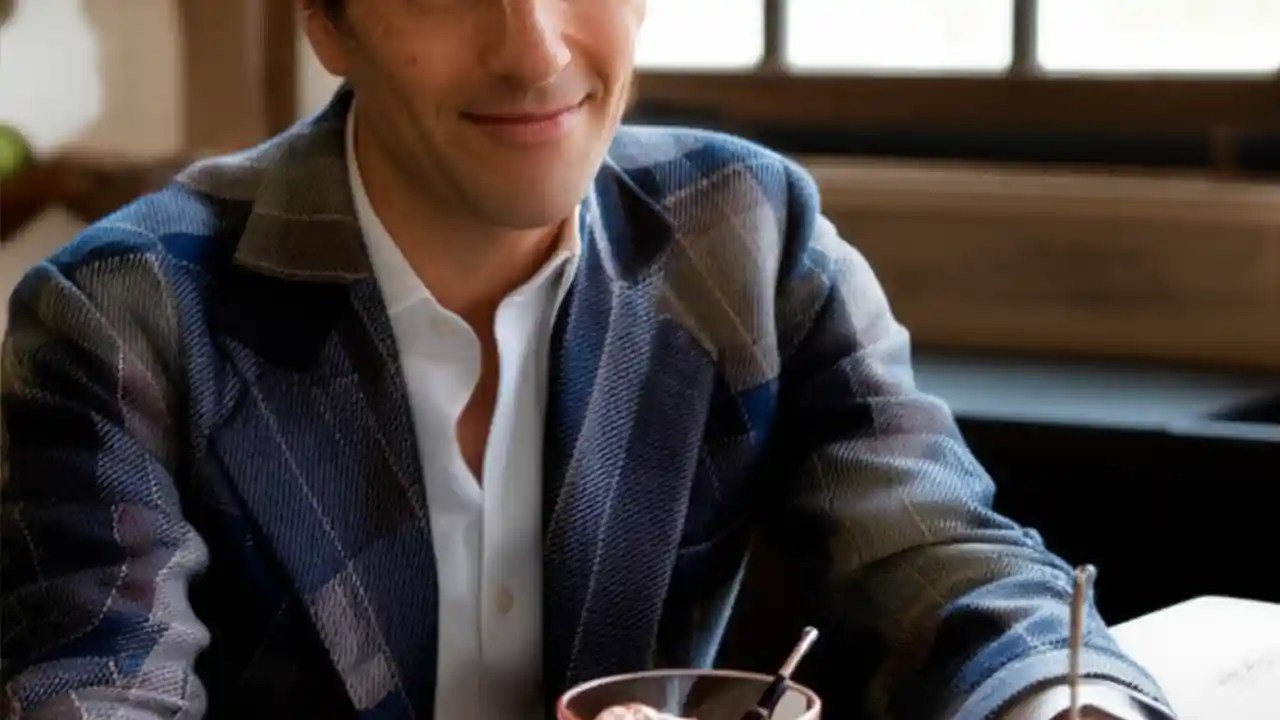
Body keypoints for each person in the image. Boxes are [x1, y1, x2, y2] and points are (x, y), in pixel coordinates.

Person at [0, 1, 1177, 718]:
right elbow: (95, 685)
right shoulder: (127, 314)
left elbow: (930, 549)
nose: (533, 48)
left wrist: (1060, 704)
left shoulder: (747, 236)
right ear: (325, 16)